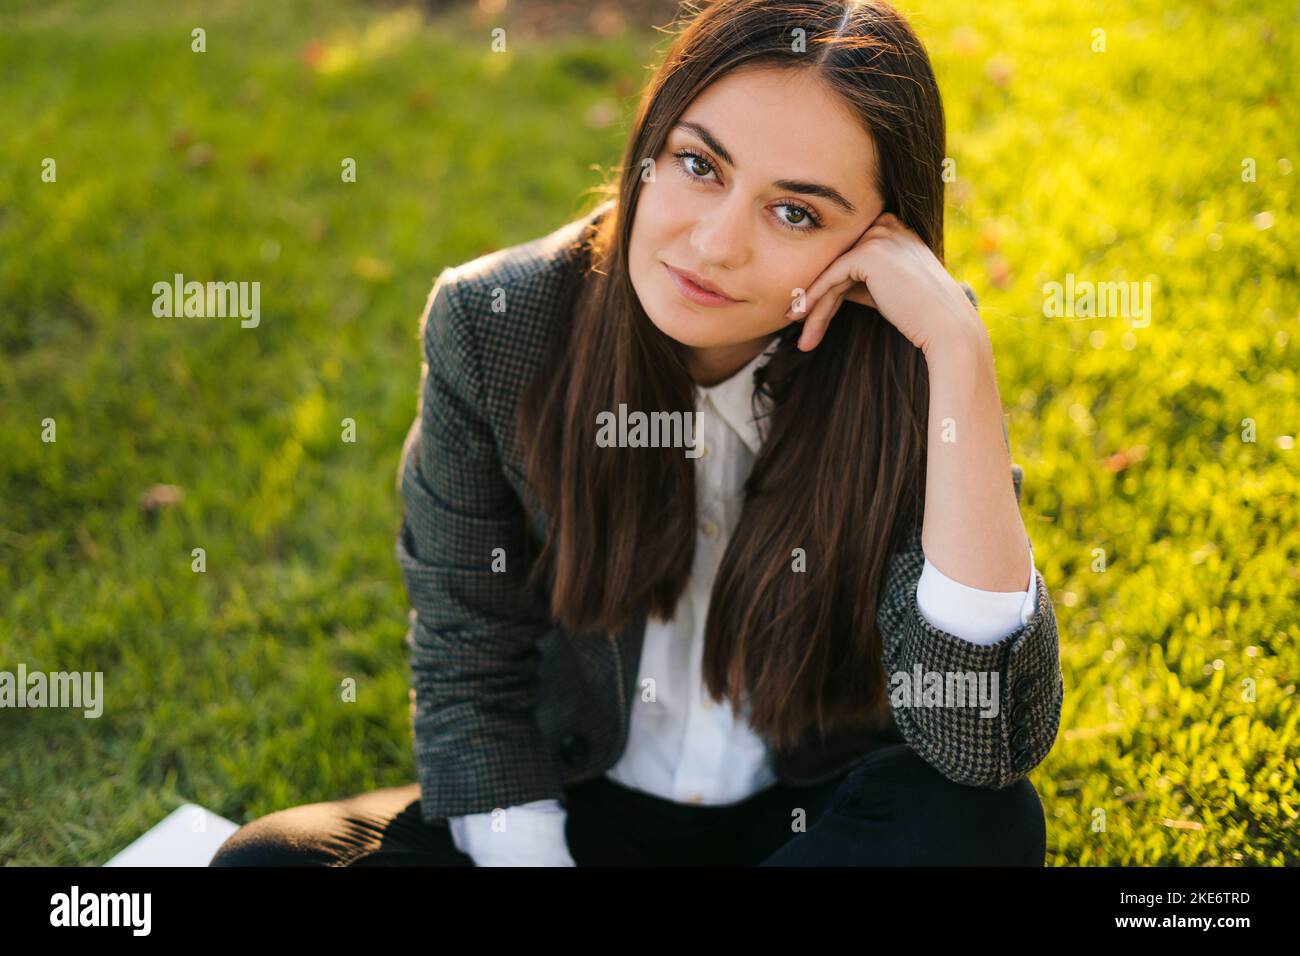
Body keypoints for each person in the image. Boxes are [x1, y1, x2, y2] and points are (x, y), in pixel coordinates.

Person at [211, 0, 1062, 868]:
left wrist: (959, 353)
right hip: (583, 808)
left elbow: (978, 742)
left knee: (984, 823)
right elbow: (470, 661)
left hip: (807, 824)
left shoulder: (915, 358)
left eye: (796, 213)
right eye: (699, 164)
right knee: (270, 864)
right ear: (649, 145)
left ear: (884, 237)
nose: (715, 243)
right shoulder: (494, 325)